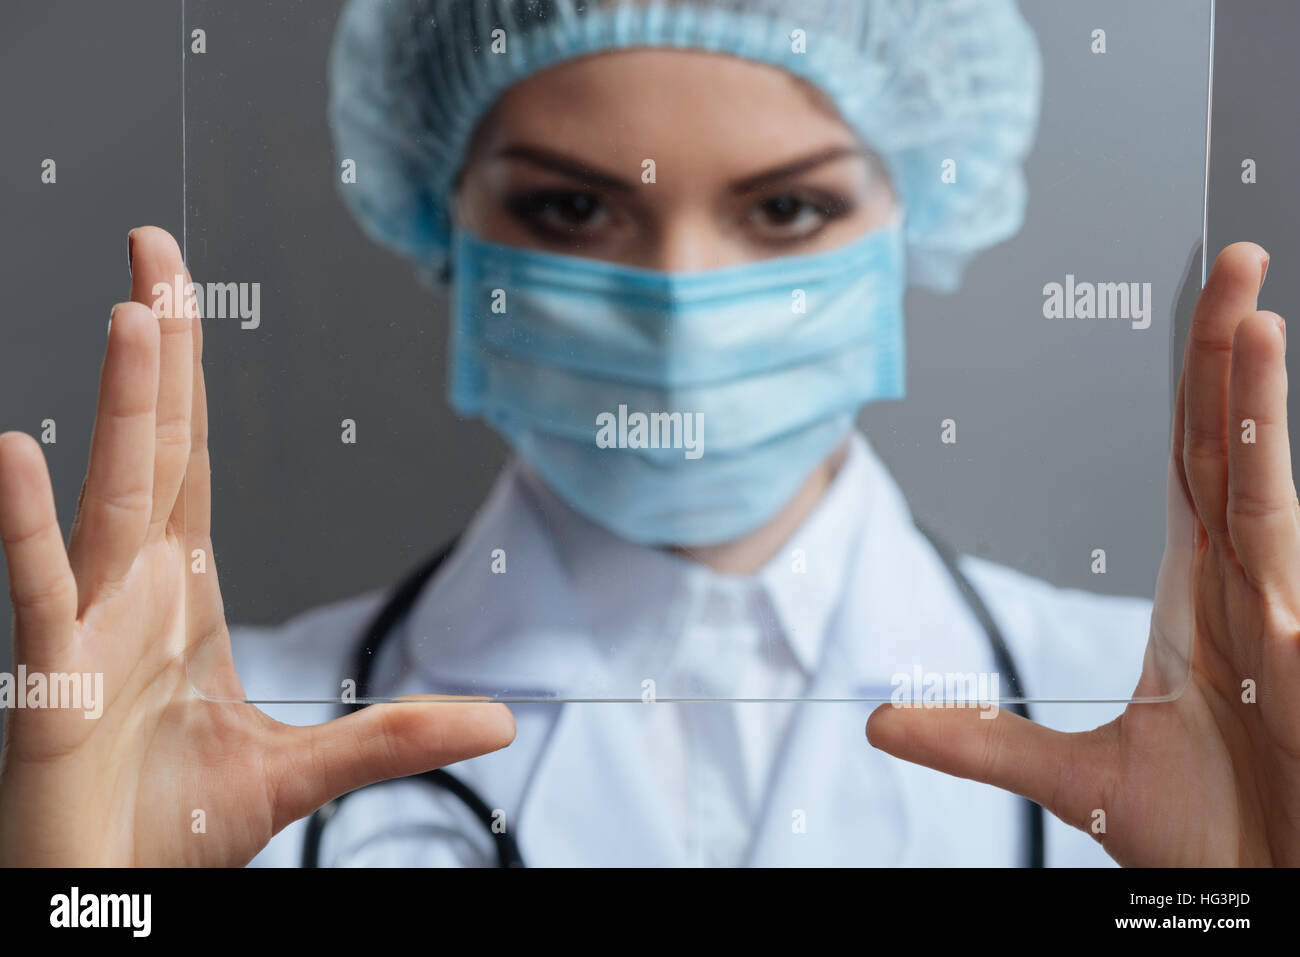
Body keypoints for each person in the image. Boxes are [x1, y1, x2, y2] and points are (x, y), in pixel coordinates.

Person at [1, 0, 1296, 867]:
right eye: (572, 209)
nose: (679, 306)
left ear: (915, 209)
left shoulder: (1164, 719)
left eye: (785, 209)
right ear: (440, 219)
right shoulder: (206, 751)